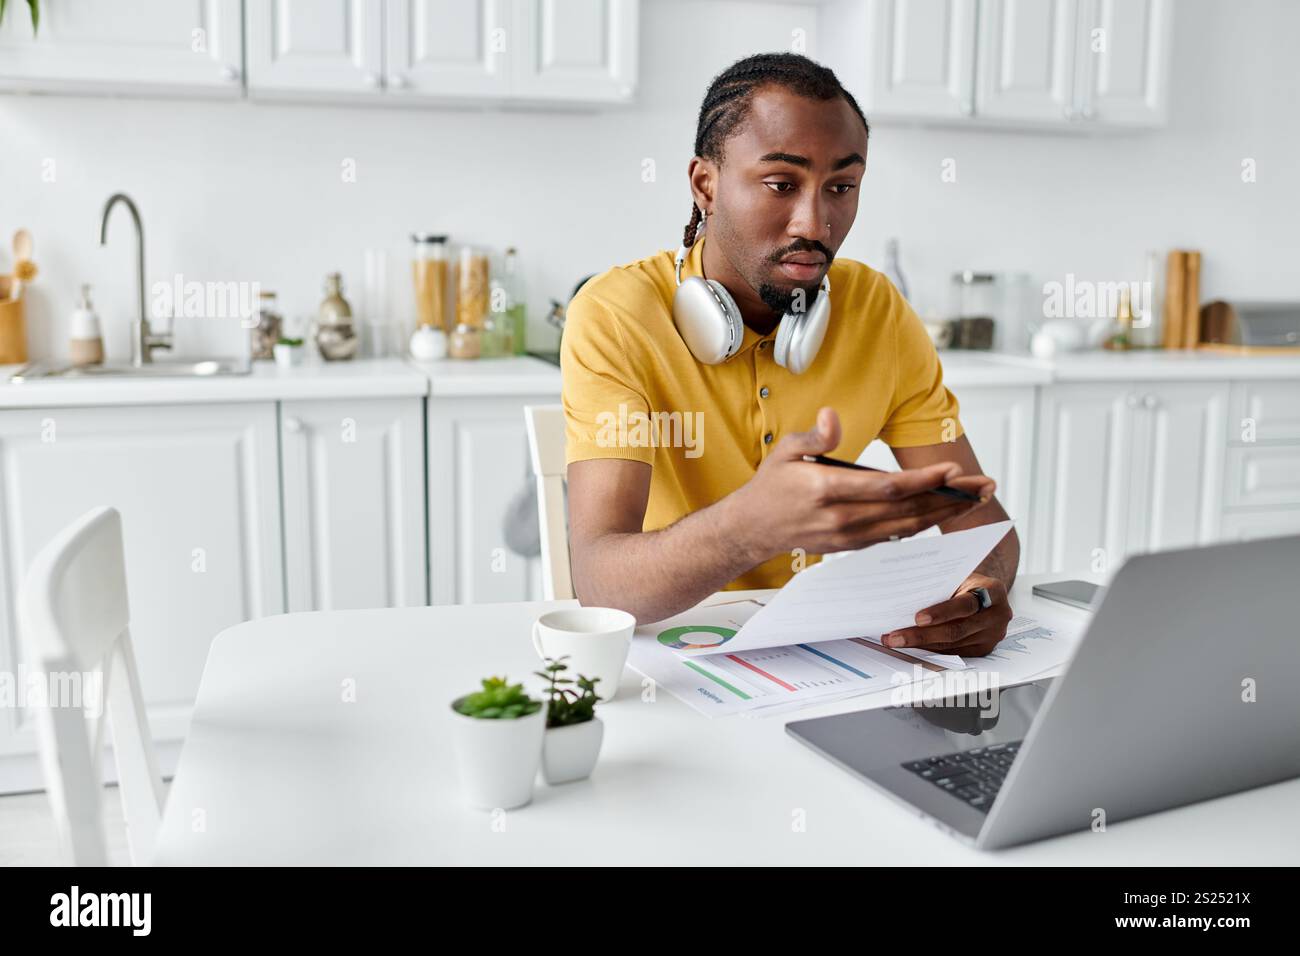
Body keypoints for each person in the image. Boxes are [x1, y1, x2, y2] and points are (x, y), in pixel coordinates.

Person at [560, 53, 1018, 656]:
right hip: (669, 653)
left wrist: (981, 591)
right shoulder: (617, 315)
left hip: (826, 649)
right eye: (782, 184)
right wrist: (749, 527)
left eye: (842, 187)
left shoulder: (876, 308)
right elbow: (600, 582)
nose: (816, 222)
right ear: (706, 185)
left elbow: (977, 519)